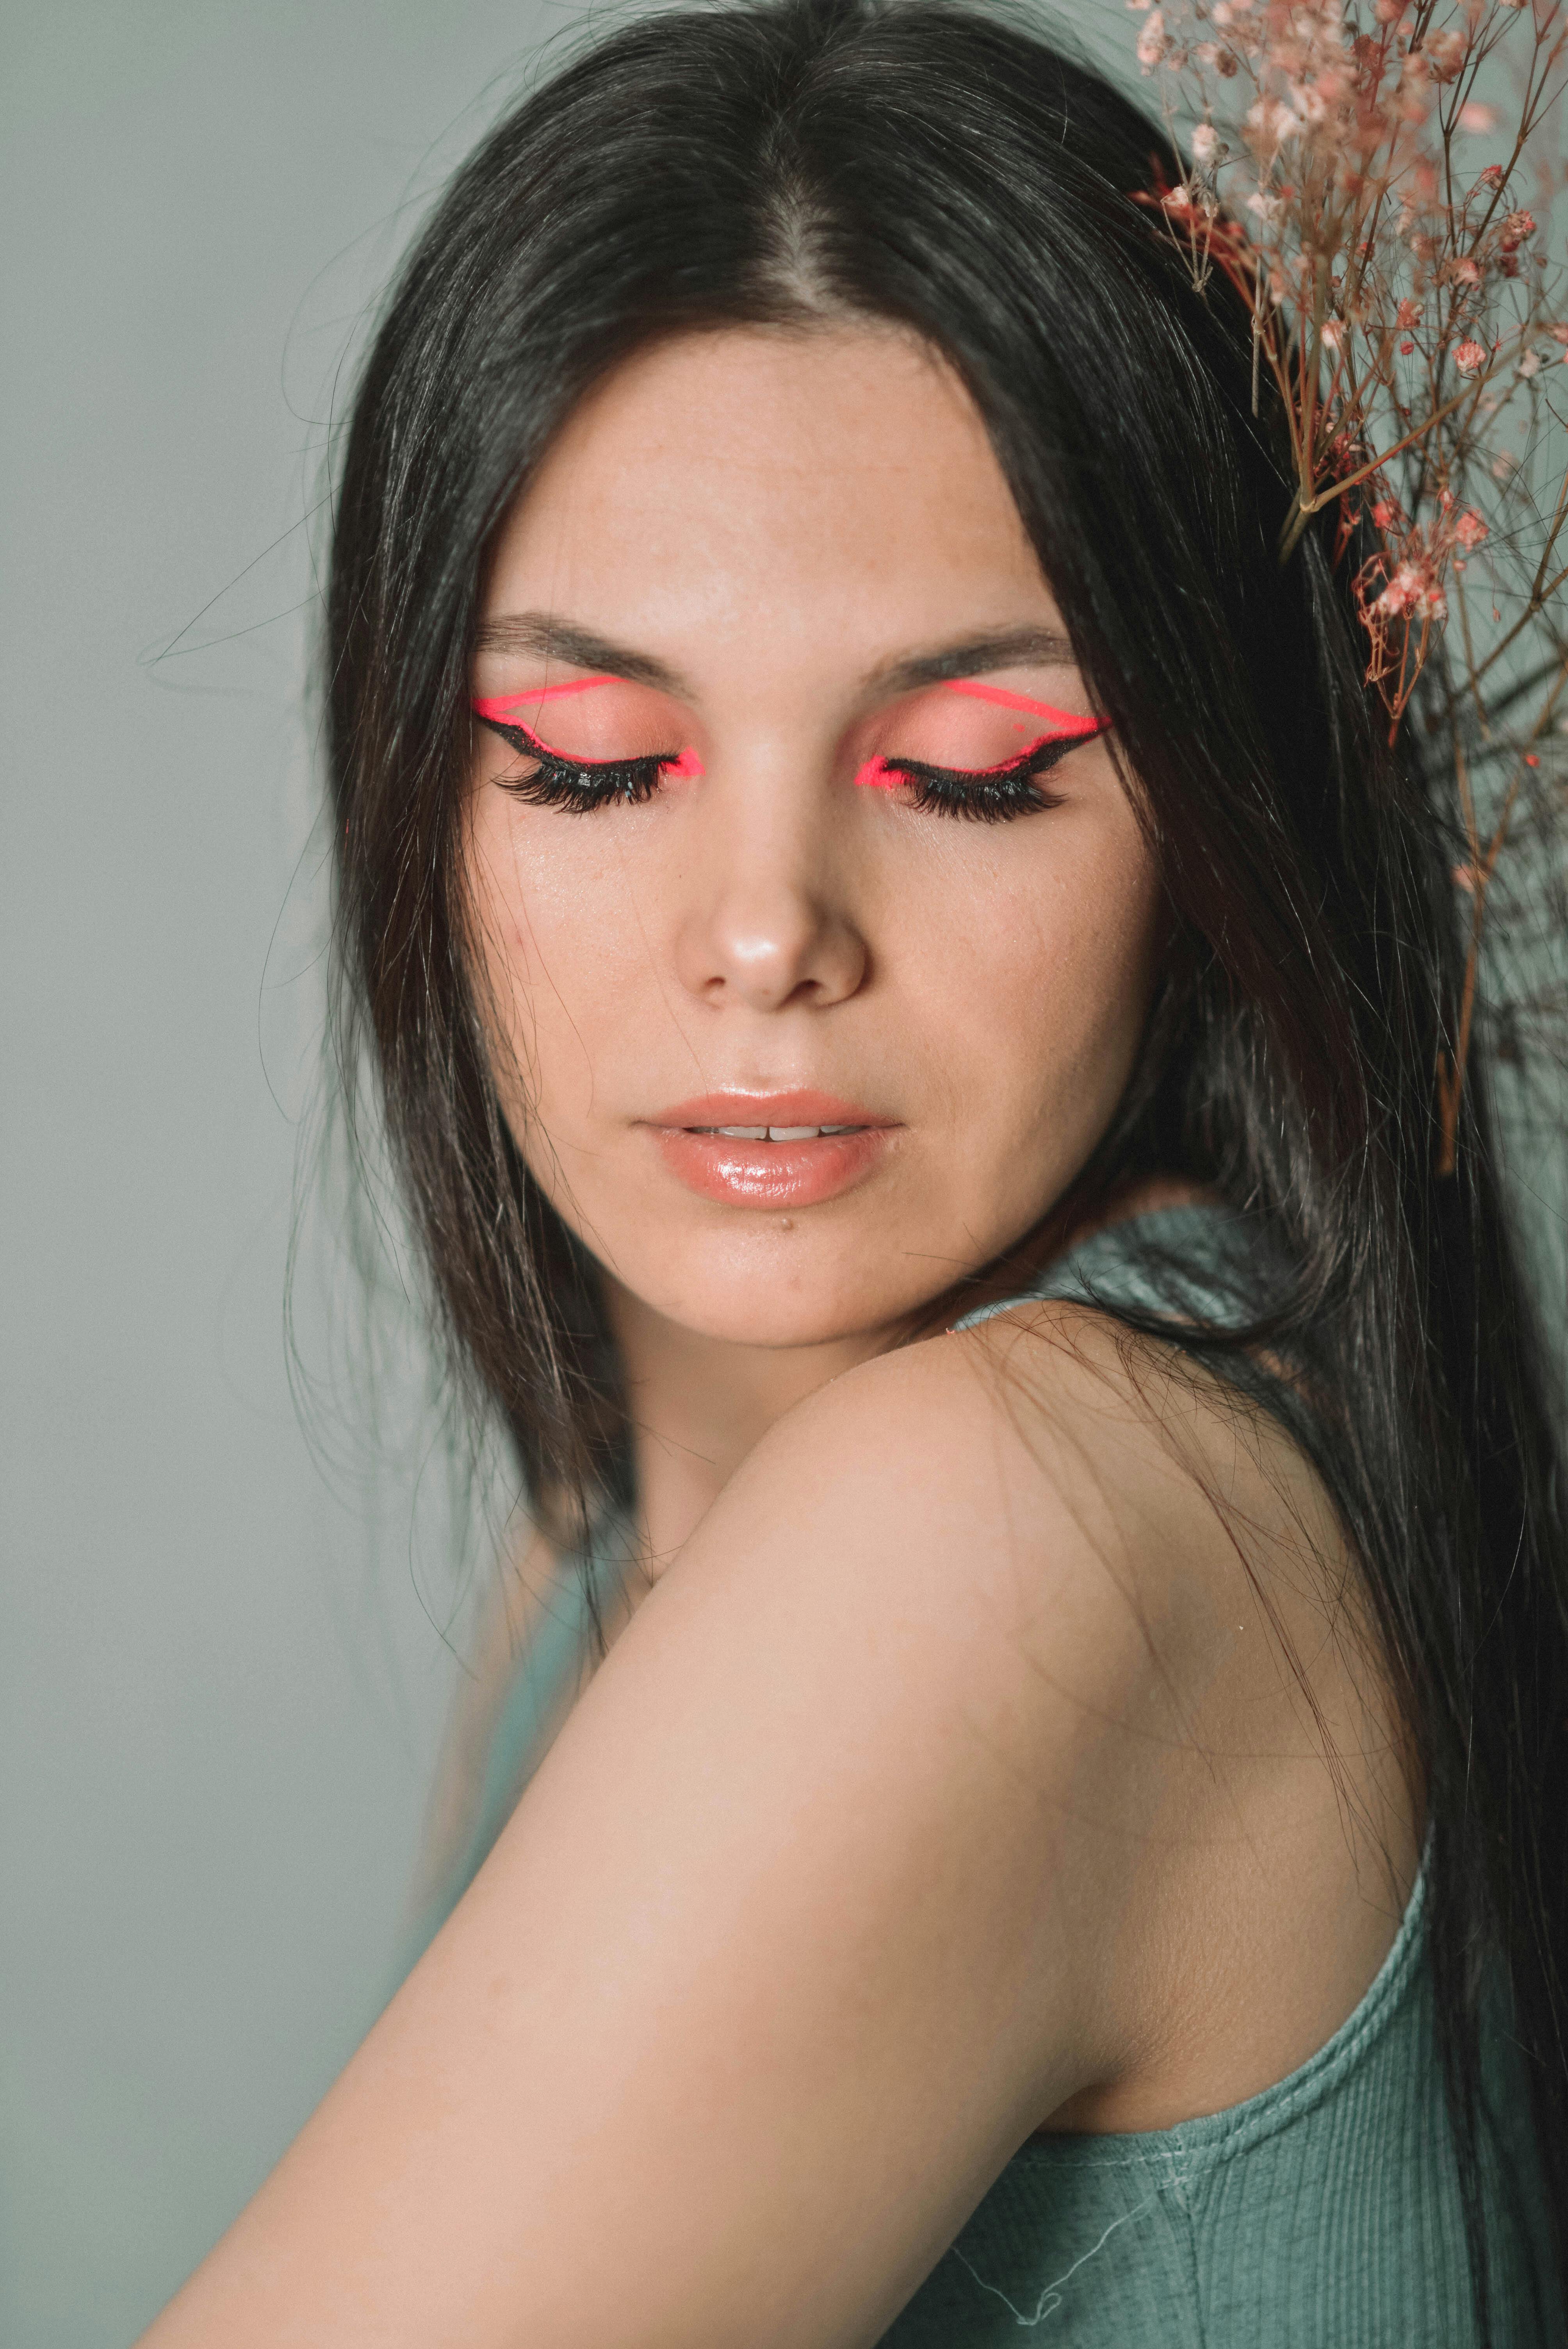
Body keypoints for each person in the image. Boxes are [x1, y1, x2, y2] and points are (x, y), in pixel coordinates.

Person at [140, 1, 1567, 2340]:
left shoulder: (1023, 1513)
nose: (765, 933)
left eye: (975, 767)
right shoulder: (605, 1532)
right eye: (591, 759)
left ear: (1214, 819)